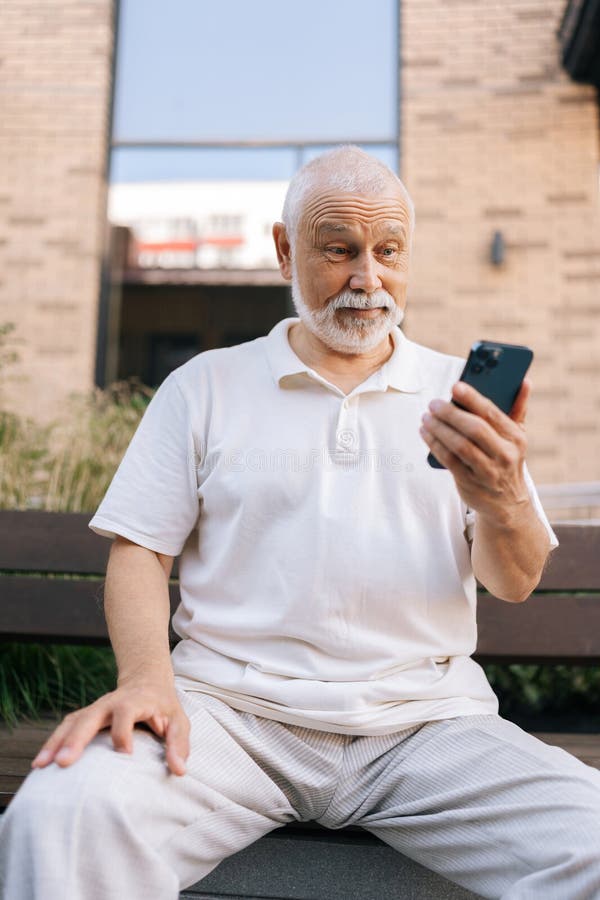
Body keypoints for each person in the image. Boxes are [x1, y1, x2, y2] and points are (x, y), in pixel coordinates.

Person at [1, 146, 599, 900]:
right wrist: (148, 682)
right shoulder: (205, 385)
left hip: (429, 728)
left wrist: (504, 494)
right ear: (284, 249)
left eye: (388, 252)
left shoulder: (460, 399)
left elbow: (515, 582)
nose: (367, 278)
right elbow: (140, 552)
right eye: (339, 250)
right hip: (229, 719)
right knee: (60, 817)